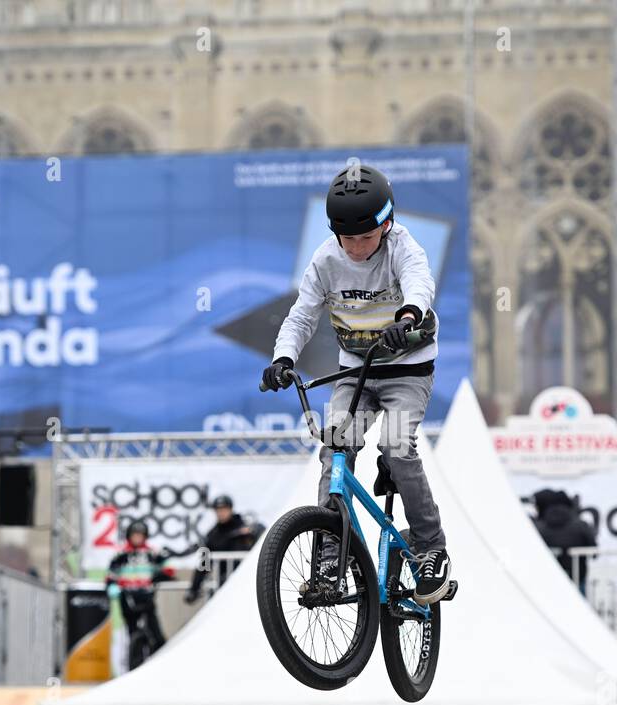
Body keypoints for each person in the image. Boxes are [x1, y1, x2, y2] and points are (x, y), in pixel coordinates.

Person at [261, 163, 450, 604]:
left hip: (407, 370)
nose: (358, 248)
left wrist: (407, 317)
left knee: (397, 446)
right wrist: (282, 358)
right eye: (349, 239)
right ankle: (330, 553)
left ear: (386, 225)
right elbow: (302, 315)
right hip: (356, 373)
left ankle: (431, 546)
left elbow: (420, 283)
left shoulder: (404, 247)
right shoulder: (326, 259)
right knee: (335, 446)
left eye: (366, 238)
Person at [106, 520, 176, 674]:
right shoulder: (121, 554)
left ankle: (160, 669)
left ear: (145, 536)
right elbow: (110, 575)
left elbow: (169, 570)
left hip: (147, 596)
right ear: (129, 536)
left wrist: (159, 577)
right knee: (133, 634)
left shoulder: (152, 553)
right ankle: (134, 669)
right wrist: (113, 586)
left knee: (156, 635)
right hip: (127, 598)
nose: (137, 538)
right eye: (134, 535)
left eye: (140, 535)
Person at [184, 495, 263, 604]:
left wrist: (250, 533)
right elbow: (205, 563)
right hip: (226, 584)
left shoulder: (245, 526)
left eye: (224, 509)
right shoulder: (213, 534)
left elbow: (263, 539)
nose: (221, 513)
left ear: (230, 509)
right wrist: (194, 588)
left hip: (250, 580)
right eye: (218, 510)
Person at [532, 488, 596, 595]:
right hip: (577, 579)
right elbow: (593, 550)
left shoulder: (539, 527)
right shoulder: (580, 525)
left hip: (547, 582)